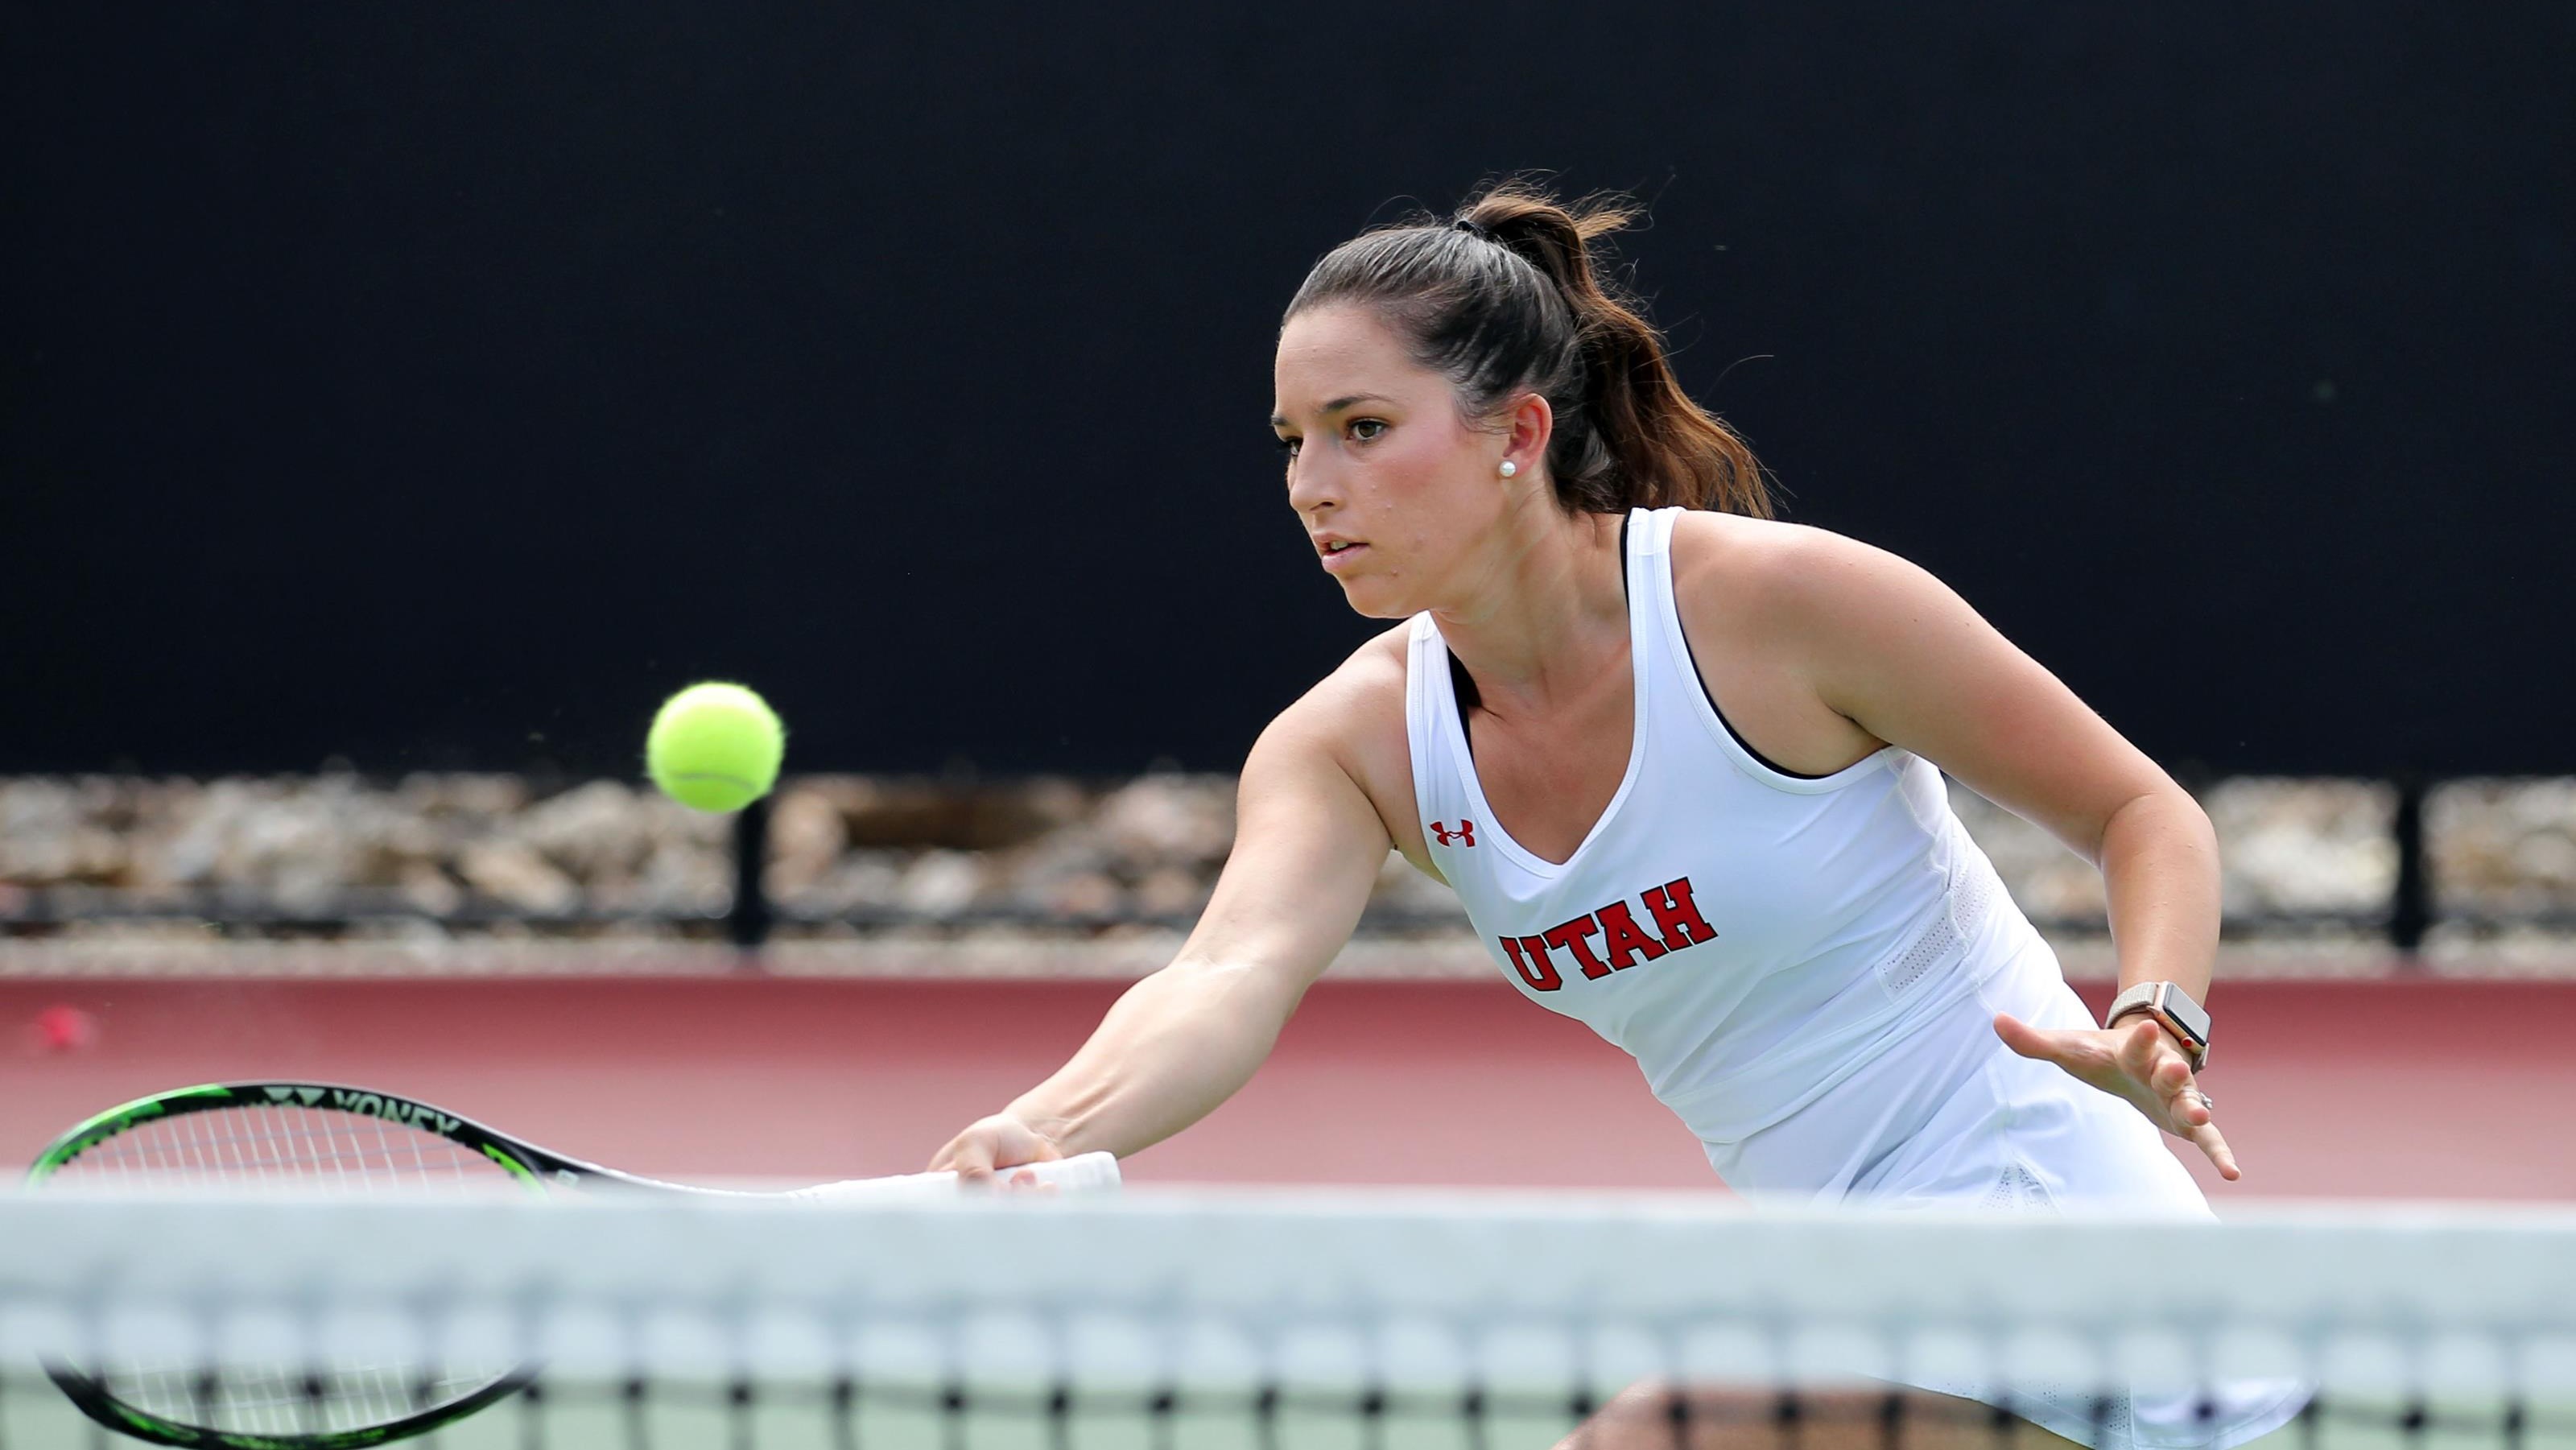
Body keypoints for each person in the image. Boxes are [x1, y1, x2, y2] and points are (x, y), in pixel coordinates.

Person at [932, 183, 2303, 1450]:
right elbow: (1226, 972)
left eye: (1362, 430)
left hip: (2055, 1236)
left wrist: (2157, 1012)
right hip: (1843, 1290)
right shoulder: (1353, 746)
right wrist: (1048, 1130)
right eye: (1292, 442)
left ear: (1518, 433)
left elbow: (2142, 809)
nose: (1311, 487)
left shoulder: (1774, 609)